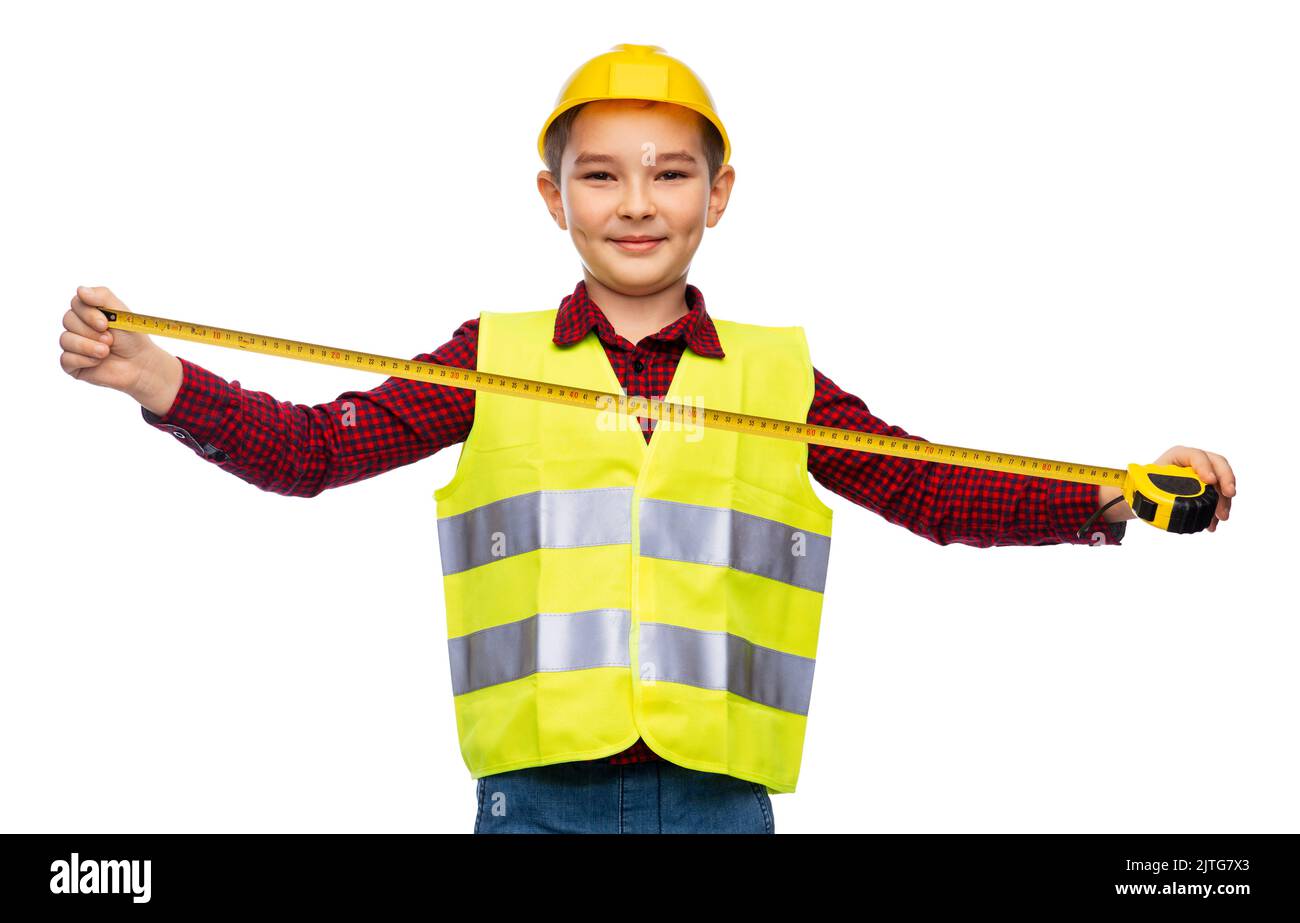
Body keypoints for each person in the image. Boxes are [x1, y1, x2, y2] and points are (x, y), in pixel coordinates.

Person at [59, 44, 1236, 834]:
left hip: (723, 804)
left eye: (671, 173)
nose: (636, 202)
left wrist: (1113, 494)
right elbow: (311, 451)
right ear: (551, 195)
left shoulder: (777, 378)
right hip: (533, 799)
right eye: (602, 174)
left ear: (719, 193)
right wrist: (157, 377)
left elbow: (930, 487)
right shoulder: (488, 353)